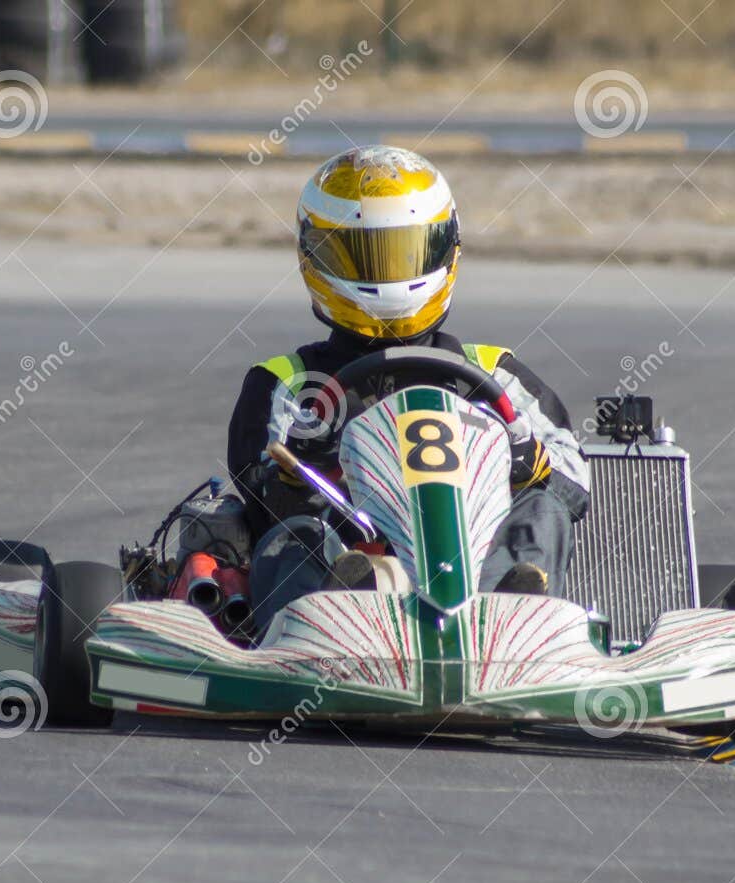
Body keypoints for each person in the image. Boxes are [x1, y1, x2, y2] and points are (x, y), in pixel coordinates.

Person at [226, 145, 590, 629]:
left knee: (542, 507)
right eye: (365, 256)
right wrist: (303, 469)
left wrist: (532, 462)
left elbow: (577, 480)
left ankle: (513, 614)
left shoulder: (493, 372)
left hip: (473, 565)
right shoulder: (290, 383)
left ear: (444, 247)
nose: (388, 275)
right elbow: (255, 495)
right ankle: (333, 613)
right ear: (317, 256)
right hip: (352, 564)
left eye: (404, 252)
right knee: (295, 533)